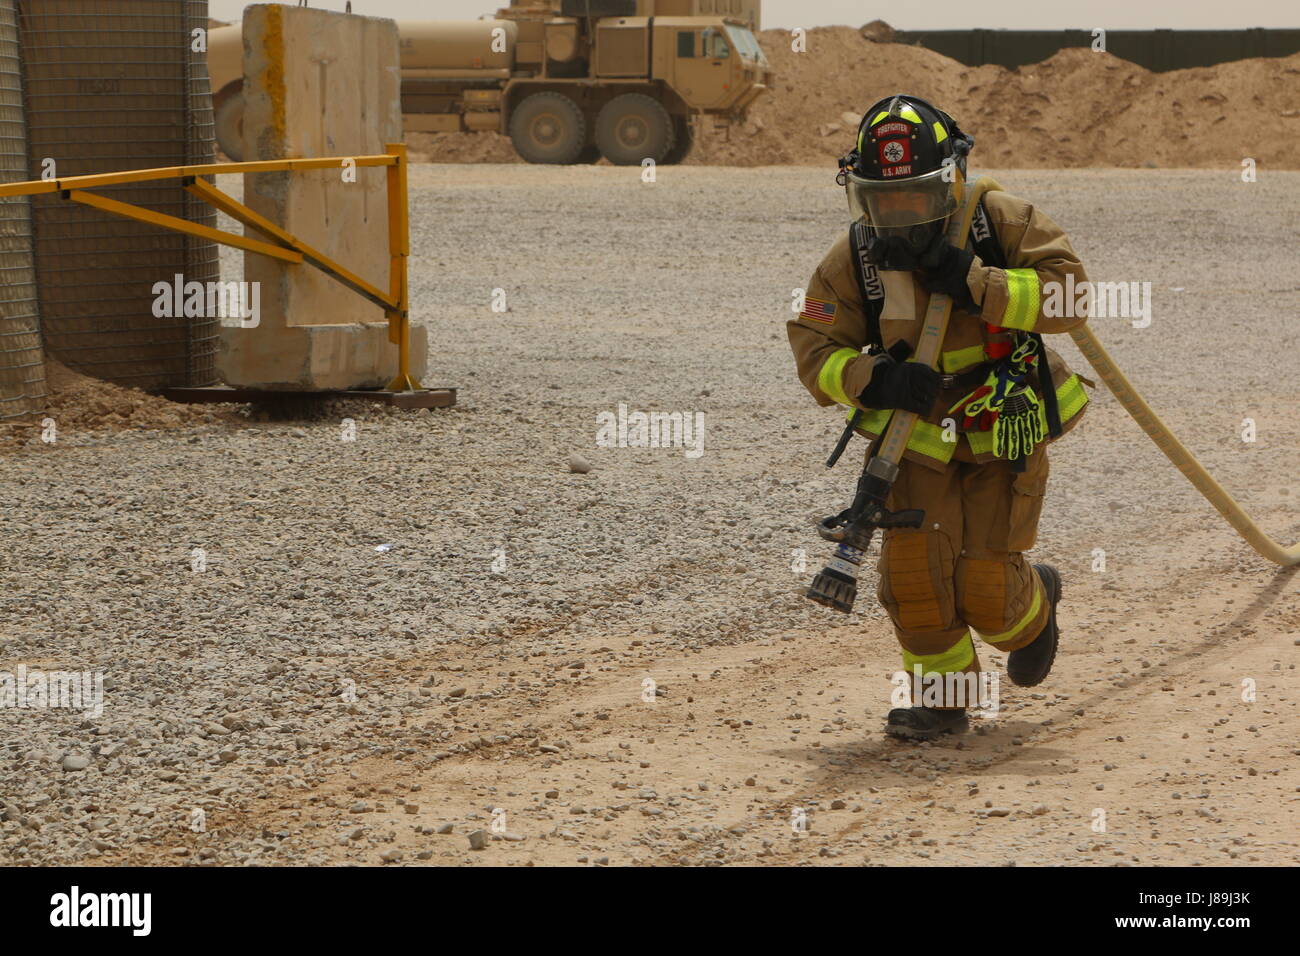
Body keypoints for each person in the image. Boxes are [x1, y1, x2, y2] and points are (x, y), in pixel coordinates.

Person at [787, 94, 1093, 740]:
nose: (898, 217)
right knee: (915, 580)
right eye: (881, 201)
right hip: (916, 439)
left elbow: (1071, 293)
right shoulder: (856, 258)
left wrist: (983, 284)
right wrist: (876, 379)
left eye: (917, 199)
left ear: (950, 182)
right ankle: (945, 698)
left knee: (985, 589)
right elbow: (811, 337)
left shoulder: (997, 221)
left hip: (999, 428)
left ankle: (1036, 601)